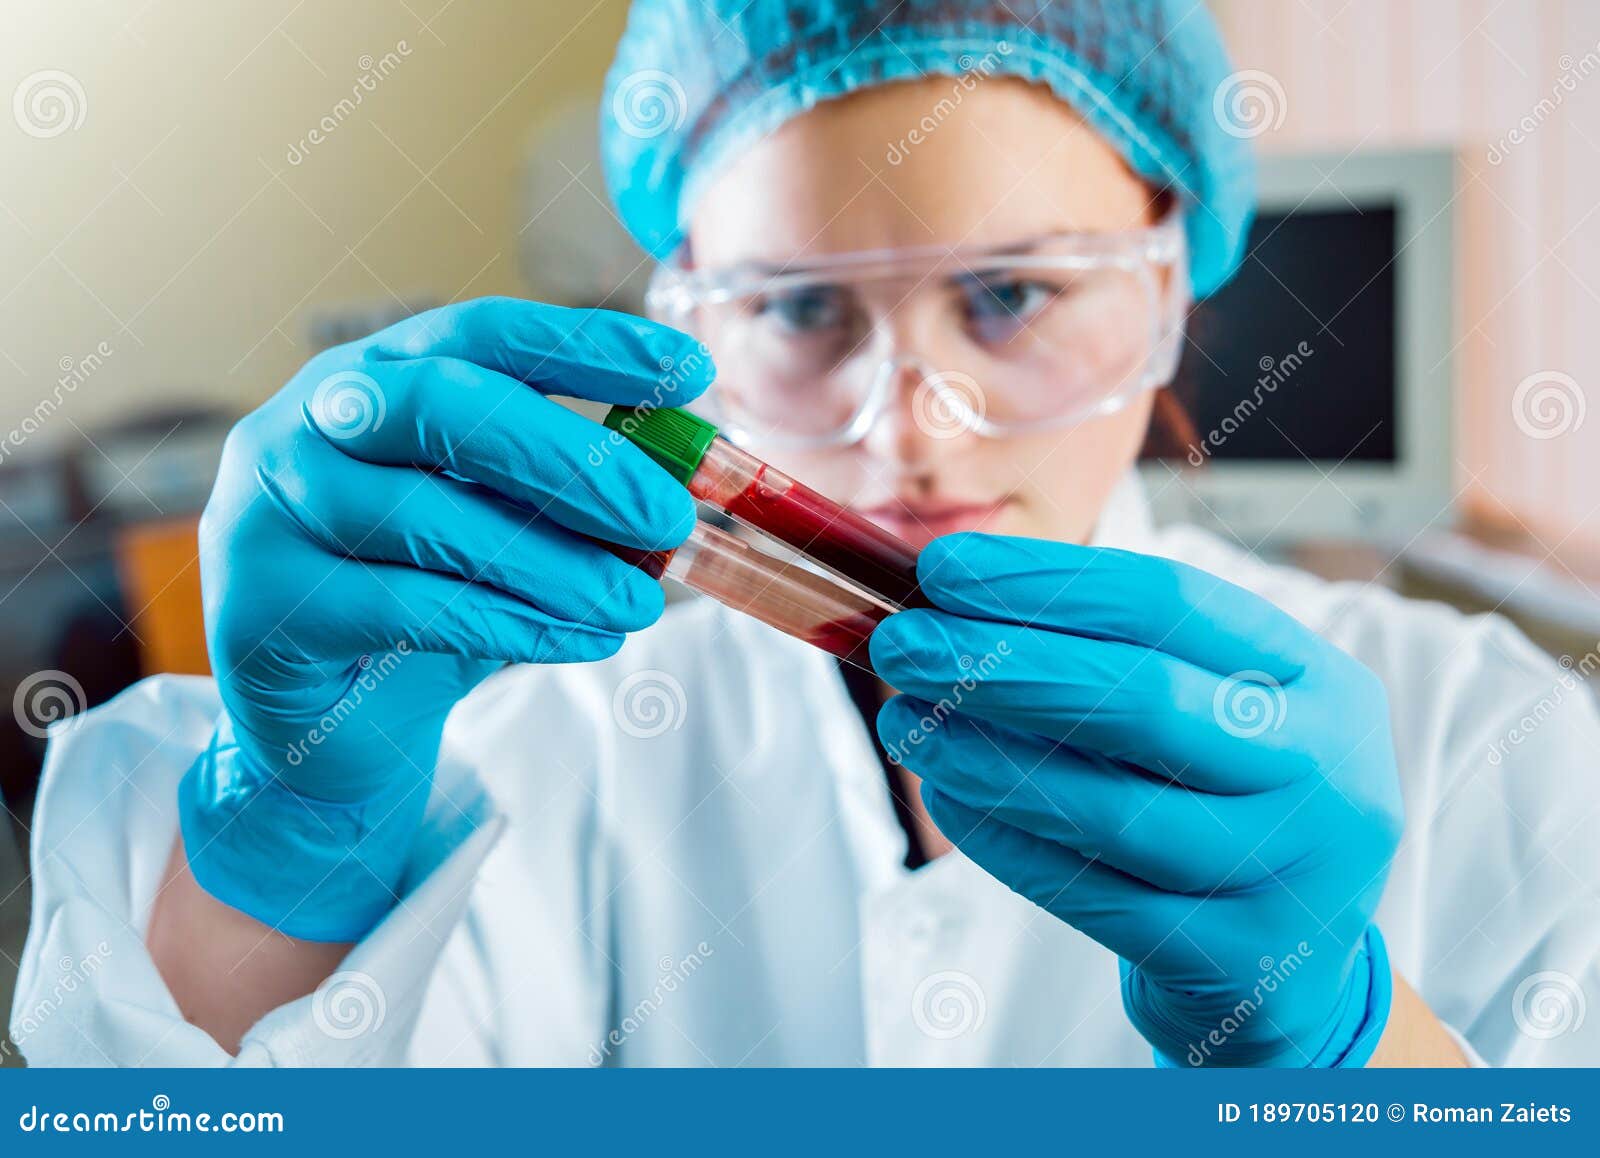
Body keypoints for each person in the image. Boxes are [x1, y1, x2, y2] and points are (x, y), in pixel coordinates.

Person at [14, 0, 1599, 1068]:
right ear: (686, 320)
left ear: (1169, 286)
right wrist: (286, 839)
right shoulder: (545, 741)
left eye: (1013, 294)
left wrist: (1351, 1050)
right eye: (798, 309)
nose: (913, 428)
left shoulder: (1493, 735)